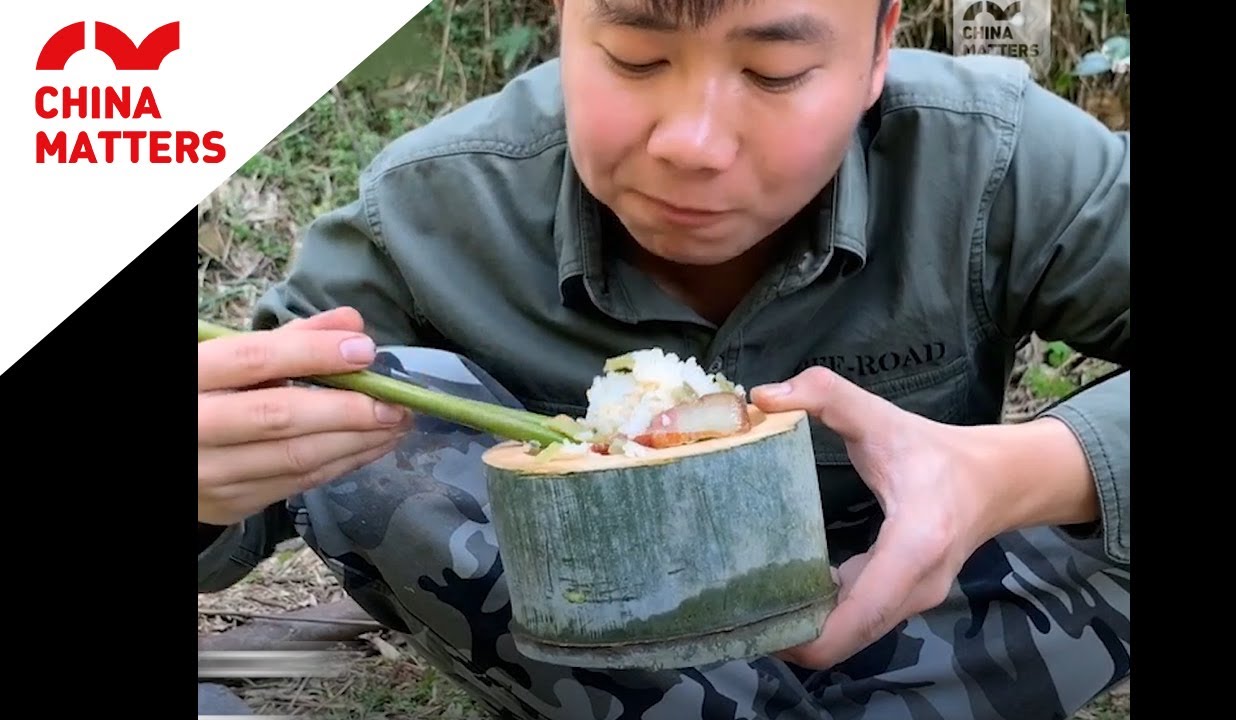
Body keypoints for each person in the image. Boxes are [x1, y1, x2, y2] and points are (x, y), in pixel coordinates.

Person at [197, 0, 1130, 717]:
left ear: (881, 42)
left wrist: (1018, 473)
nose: (694, 144)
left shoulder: (996, 160)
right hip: (610, 645)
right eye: (636, 58)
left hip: (928, 617)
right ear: (564, 18)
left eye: (775, 71)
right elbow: (251, 474)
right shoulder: (430, 212)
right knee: (389, 402)